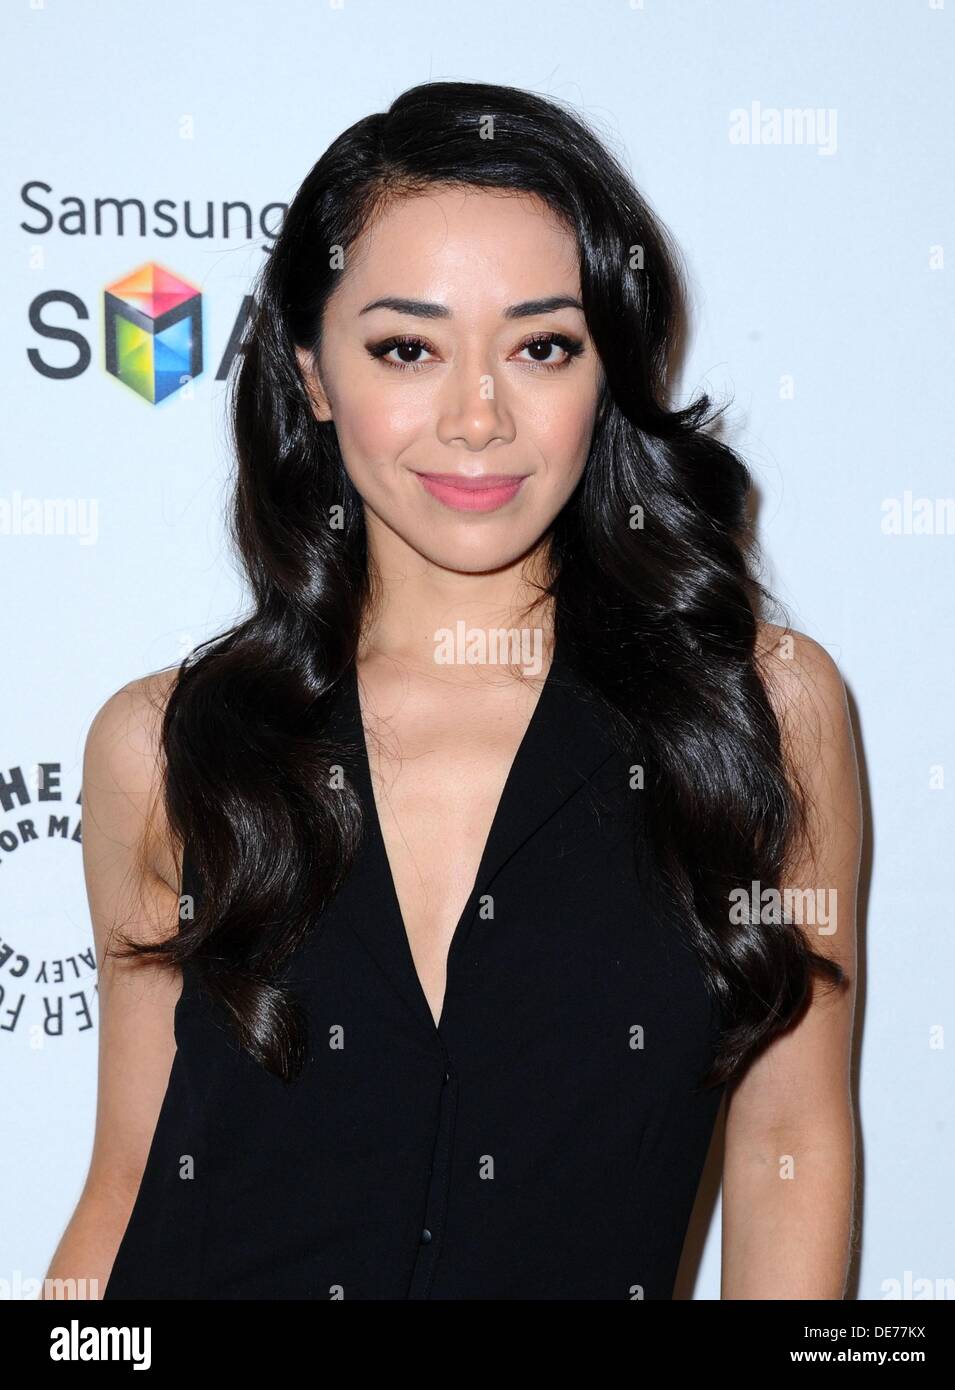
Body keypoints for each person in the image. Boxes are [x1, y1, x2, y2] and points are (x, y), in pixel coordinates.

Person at [44, 80, 861, 1301]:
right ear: (313, 373)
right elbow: (128, 1180)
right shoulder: (168, 746)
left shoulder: (758, 715)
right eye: (406, 348)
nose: (478, 417)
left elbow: (790, 1142)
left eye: (541, 346)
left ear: (608, 370)